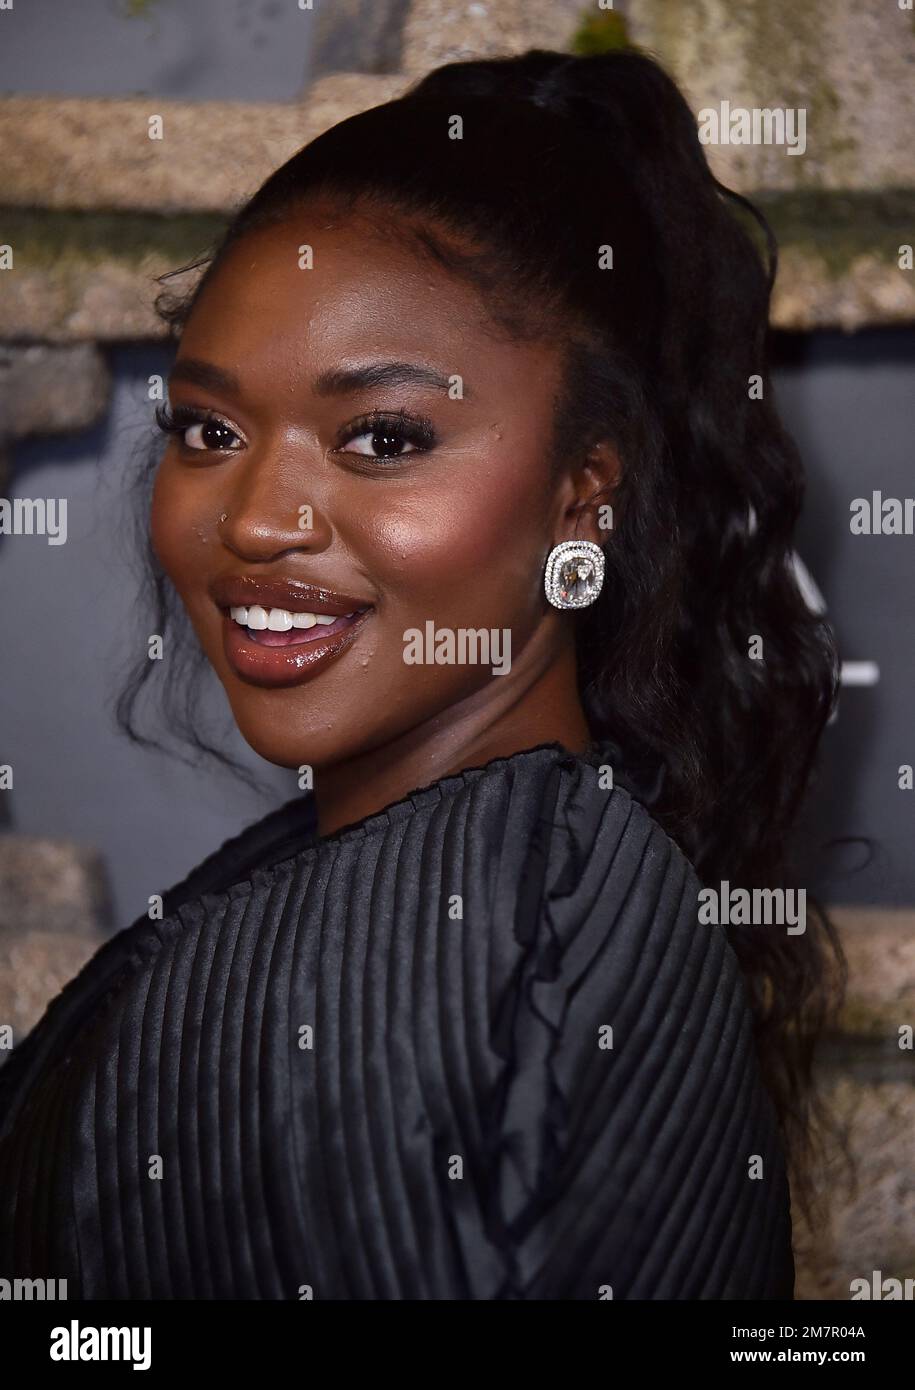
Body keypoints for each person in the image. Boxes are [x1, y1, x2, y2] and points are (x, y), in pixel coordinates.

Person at [0, 47, 843, 1299]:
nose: (257, 519)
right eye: (209, 429)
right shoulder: (546, 883)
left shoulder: (443, 950)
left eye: (382, 437)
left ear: (579, 492)